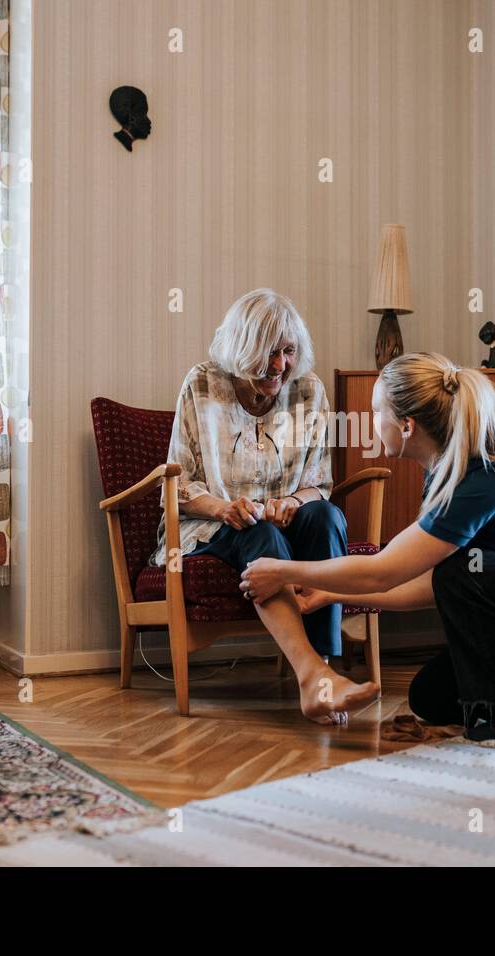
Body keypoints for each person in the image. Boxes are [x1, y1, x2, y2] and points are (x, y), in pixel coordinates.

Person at [240, 352, 495, 740]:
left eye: (377, 411)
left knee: (462, 572)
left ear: (407, 426)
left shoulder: (479, 476)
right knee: (431, 696)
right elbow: (433, 585)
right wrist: (331, 592)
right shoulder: (447, 470)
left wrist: (284, 569)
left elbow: (385, 570)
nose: (371, 421)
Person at [153, 288, 380, 724]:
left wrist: (292, 501)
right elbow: (178, 485)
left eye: (288, 351)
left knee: (325, 515)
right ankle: (313, 677)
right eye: (267, 353)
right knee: (261, 532)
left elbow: (320, 484)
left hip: (284, 522)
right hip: (210, 528)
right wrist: (224, 508)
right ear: (241, 350)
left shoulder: (308, 390)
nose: (279, 366)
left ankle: (324, 673)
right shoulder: (201, 384)